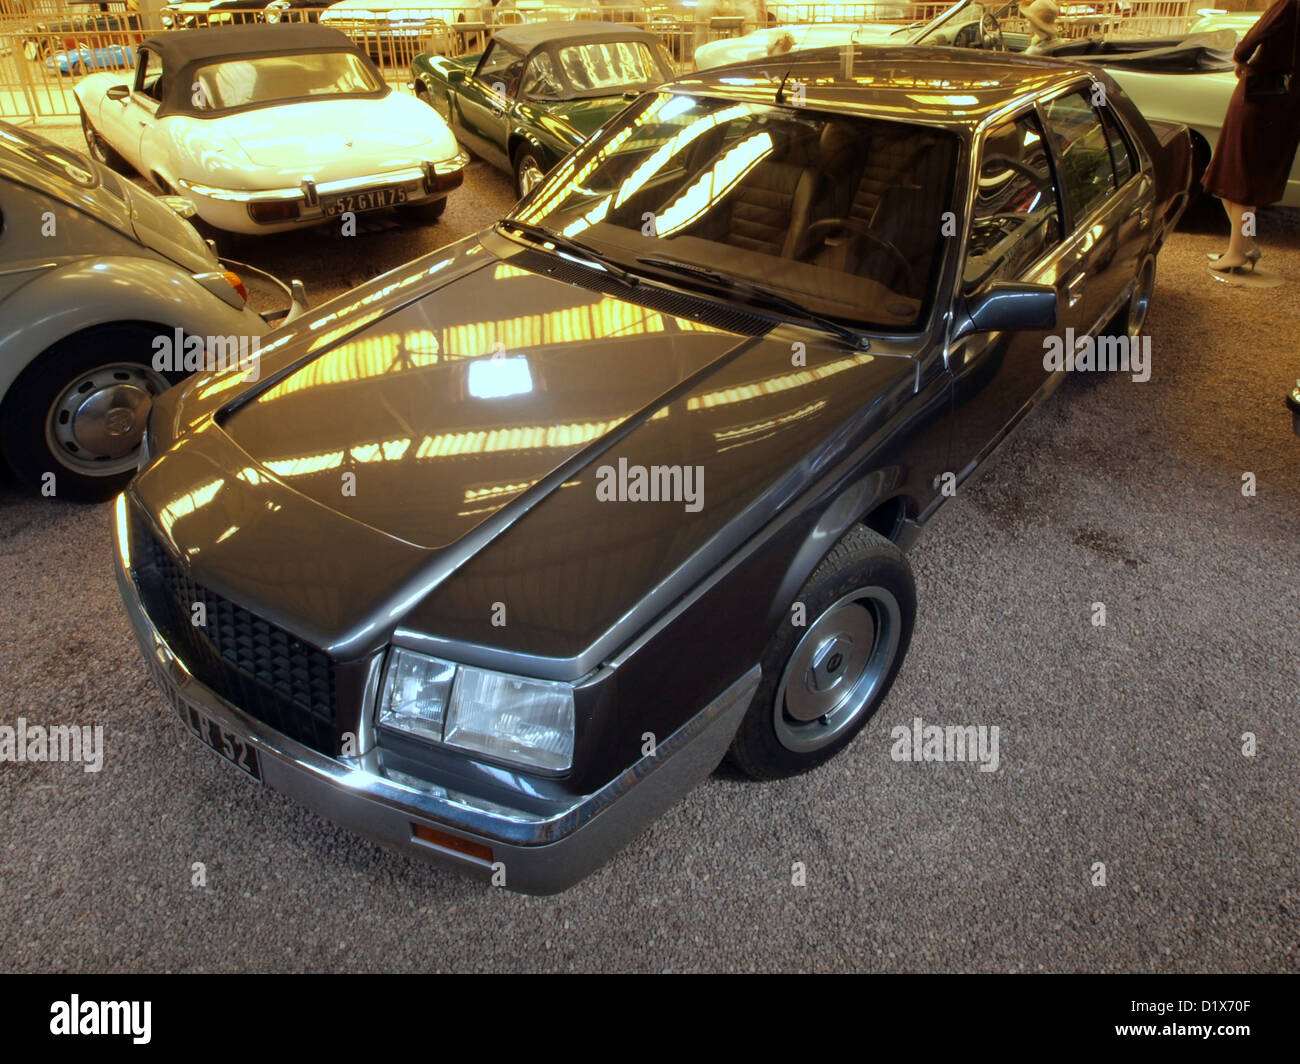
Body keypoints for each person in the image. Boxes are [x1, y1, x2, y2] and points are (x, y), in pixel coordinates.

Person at [1202, 0, 1300, 273]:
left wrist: (1241, 59)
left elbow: (1249, 42)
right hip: (1286, 101)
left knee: (1237, 179)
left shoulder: (1288, 4)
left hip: (1258, 97)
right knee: (1247, 180)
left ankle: (1238, 250)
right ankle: (1244, 244)